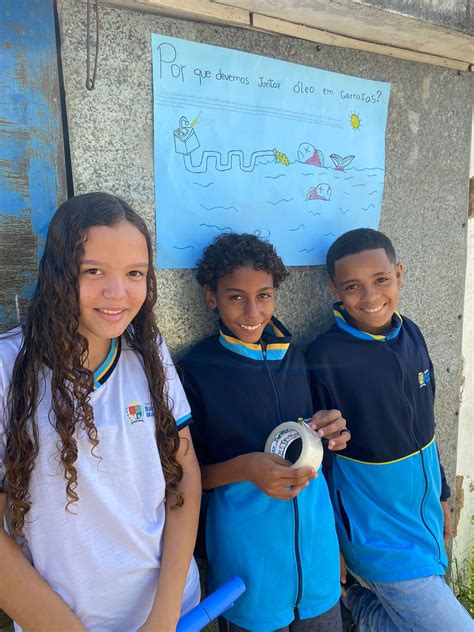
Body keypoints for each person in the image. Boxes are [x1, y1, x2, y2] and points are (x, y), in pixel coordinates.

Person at [0, 192, 201, 632]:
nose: (117, 293)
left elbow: (183, 472)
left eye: (135, 273)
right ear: (58, 272)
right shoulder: (7, 368)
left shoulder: (147, 351)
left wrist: (164, 616)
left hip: (175, 613)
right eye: (93, 271)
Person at [179, 233, 350, 632]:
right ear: (211, 297)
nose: (253, 311)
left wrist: (333, 434)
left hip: (319, 561)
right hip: (248, 565)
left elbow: (319, 445)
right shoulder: (197, 370)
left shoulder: (297, 357)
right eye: (236, 297)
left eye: (264, 295)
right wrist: (244, 469)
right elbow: (184, 477)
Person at [306, 228, 473, 631]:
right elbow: (317, 462)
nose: (370, 296)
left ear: (399, 273)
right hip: (376, 535)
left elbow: (427, 425)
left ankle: (361, 610)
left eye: (380, 279)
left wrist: (442, 494)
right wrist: (329, 542)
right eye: (352, 286)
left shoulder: (411, 333)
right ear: (333, 289)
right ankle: (357, 603)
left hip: (424, 522)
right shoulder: (325, 357)